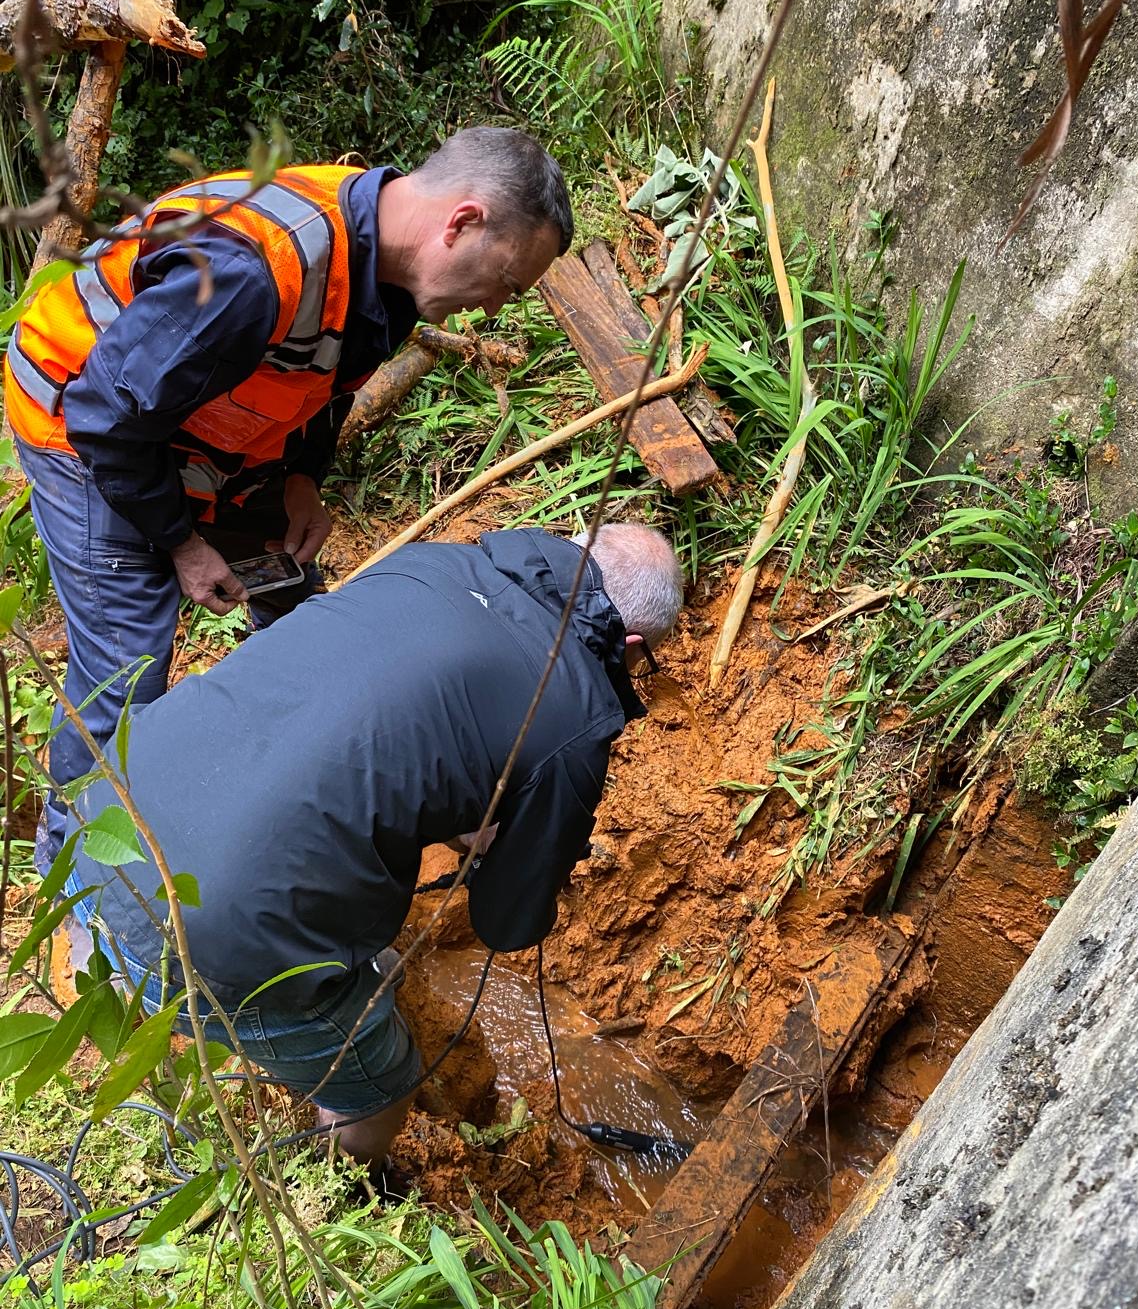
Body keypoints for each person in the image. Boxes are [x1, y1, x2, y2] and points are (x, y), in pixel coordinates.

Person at [3, 127, 573, 870]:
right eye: (506, 281)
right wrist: (181, 543)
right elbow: (109, 416)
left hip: (195, 422)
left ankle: (352, 787)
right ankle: (75, 878)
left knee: (295, 598)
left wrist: (302, 477)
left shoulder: (386, 274)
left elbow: (324, 381)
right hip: (81, 418)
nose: (496, 308)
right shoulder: (256, 270)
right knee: (128, 660)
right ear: (462, 222)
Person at [63, 522, 684, 1183]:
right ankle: (338, 1188)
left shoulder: (428, 563)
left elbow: (361, 723)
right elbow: (508, 924)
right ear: (634, 642)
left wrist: (459, 809)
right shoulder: (574, 715)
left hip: (104, 816)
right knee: (383, 1082)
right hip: (205, 934)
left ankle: (103, 996)